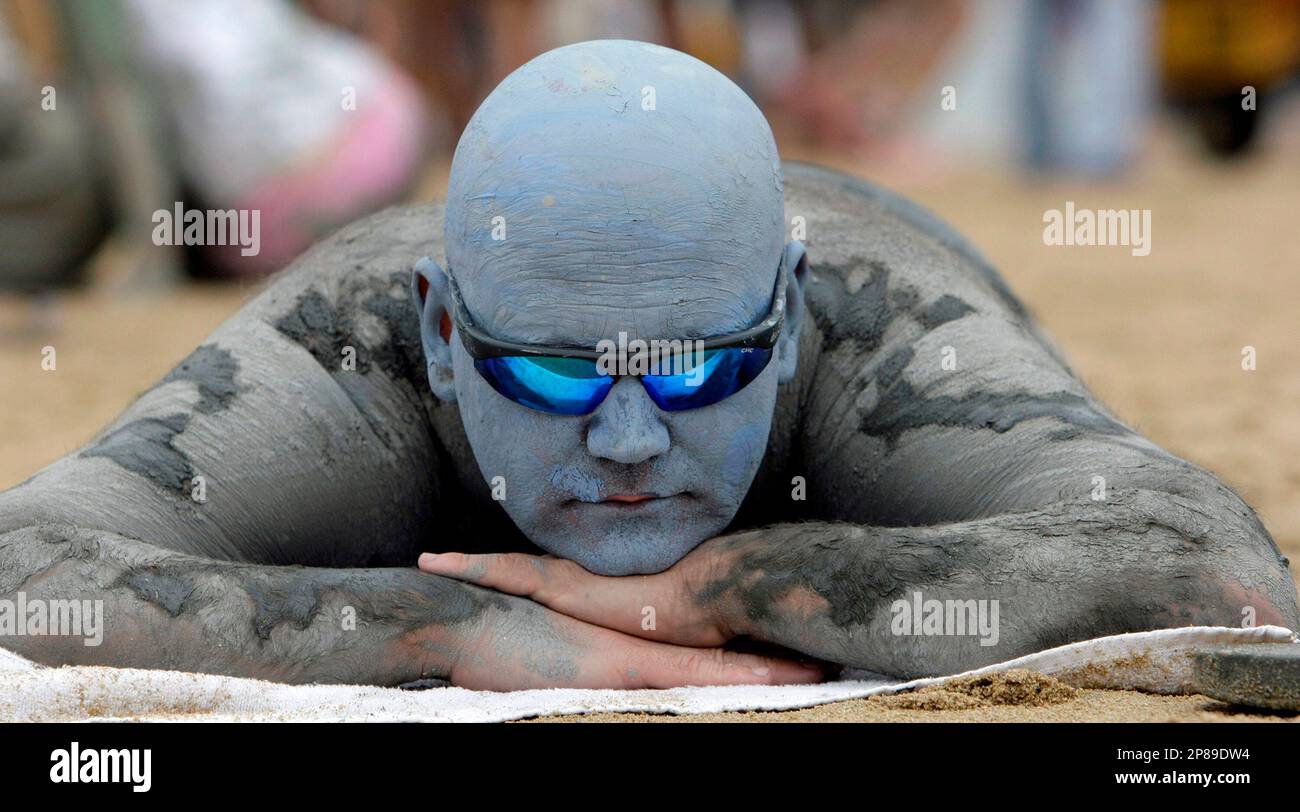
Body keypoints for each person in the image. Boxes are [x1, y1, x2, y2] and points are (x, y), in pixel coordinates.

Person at [0, 40, 1294, 690]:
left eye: (691, 376)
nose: (626, 440)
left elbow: (1219, 574)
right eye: (557, 381)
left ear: (782, 326)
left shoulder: (876, 333)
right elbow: (21, 574)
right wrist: (467, 630)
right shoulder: (356, 355)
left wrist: (738, 583)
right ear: (446, 339)